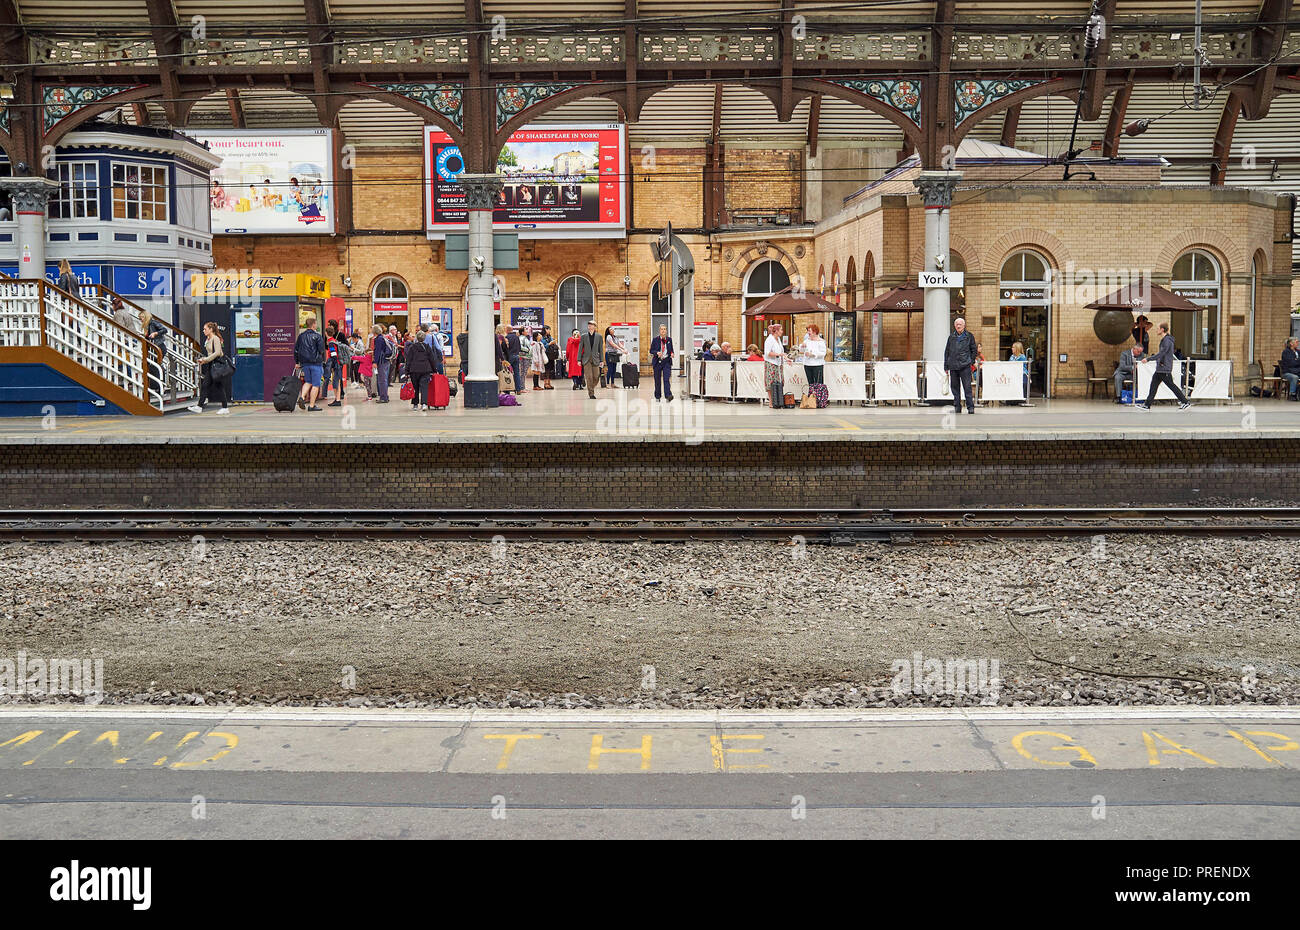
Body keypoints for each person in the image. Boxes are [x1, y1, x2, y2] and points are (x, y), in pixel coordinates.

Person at [1136, 322, 1190, 410]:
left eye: (1157, 328)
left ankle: (1185, 402)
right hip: (1161, 368)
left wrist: (1148, 359)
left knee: (1171, 386)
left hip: (1164, 368)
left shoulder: (1167, 341)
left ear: (1162, 329)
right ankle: (1147, 405)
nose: (1156, 330)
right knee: (1153, 386)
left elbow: (1161, 353)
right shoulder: (1165, 340)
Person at [187, 321, 232, 415]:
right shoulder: (208, 339)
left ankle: (224, 407)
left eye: (205, 329)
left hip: (216, 364)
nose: (203, 331)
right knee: (206, 385)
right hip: (211, 364)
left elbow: (218, 352)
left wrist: (205, 360)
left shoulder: (215, 338)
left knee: (218, 385)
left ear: (211, 329)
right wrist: (205, 360)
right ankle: (199, 406)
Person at [943, 317, 977, 414]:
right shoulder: (951, 337)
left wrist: (971, 361)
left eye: (960, 324)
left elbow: (973, 349)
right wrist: (946, 366)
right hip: (953, 366)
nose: (958, 326)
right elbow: (947, 352)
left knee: (967, 388)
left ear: (964, 325)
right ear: (954, 326)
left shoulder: (969, 336)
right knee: (955, 388)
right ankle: (957, 407)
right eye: (957, 324)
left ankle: (970, 407)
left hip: (965, 366)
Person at [294, 314, 327, 411]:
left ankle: (302, 397)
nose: (316, 325)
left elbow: (296, 350)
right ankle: (312, 406)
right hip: (316, 363)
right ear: (313, 325)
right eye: (316, 323)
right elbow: (321, 350)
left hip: (305, 364)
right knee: (316, 384)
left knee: (308, 381)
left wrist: (297, 362)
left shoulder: (301, 336)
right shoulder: (317, 336)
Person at [405, 328, 436, 411]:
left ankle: (415, 405)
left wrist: (406, 371)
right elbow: (431, 359)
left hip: (414, 370)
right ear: (424, 338)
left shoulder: (412, 347)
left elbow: (408, 360)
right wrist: (434, 370)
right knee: (424, 387)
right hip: (425, 369)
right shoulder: (427, 347)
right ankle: (424, 404)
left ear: (417, 338)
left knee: (415, 388)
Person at [650, 323, 675, 403]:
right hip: (657, 362)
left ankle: (668, 395)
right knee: (657, 380)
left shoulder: (669, 339)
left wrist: (672, 353)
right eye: (662, 329)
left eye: (665, 329)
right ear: (659, 331)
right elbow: (651, 350)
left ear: (666, 331)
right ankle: (657, 396)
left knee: (666, 379)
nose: (663, 330)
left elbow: (671, 349)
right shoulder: (655, 339)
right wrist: (657, 352)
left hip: (666, 361)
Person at [579, 320, 603, 399]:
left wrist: (602, 360)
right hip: (586, 359)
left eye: (591, 325)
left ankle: (590, 387)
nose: (589, 326)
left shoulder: (599, 337)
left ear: (595, 327)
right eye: (588, 325)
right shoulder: (583, 336)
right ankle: (591, 393)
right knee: (589, 377)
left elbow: (601, 349)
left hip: (596, 359)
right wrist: (579, 360)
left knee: (596, 377)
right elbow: (580, 348)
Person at [763, 322, 785, 407]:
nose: (782, 331)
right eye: (781, 330)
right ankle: (771, 401)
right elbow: (767, 353)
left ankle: (777, 400)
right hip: (771, 363)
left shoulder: (778, 339)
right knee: (771, 382)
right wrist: (778, 355)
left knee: (779, 381)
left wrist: (786, 359)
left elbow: (781, 351)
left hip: (779, 363)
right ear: (776, 331)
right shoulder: (769, 340)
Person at [370, 324, 391, 403]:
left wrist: (375, 362)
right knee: (384, 379)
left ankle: (383, 397)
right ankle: (385, 396)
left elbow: (378, 351)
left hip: (381, 362)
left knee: (382, 380)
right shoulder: (383, 338)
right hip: (386, 360)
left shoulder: (378, 339)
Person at [506, 325, 525, 393]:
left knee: (507, 373)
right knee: (516, 373)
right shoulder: (517, 337)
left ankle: (507, 390)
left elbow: (506, 348)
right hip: (516, 356)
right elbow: (519, 347)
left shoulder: (507, 337)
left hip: (509, 357)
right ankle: (518, 390)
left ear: (507, 330)